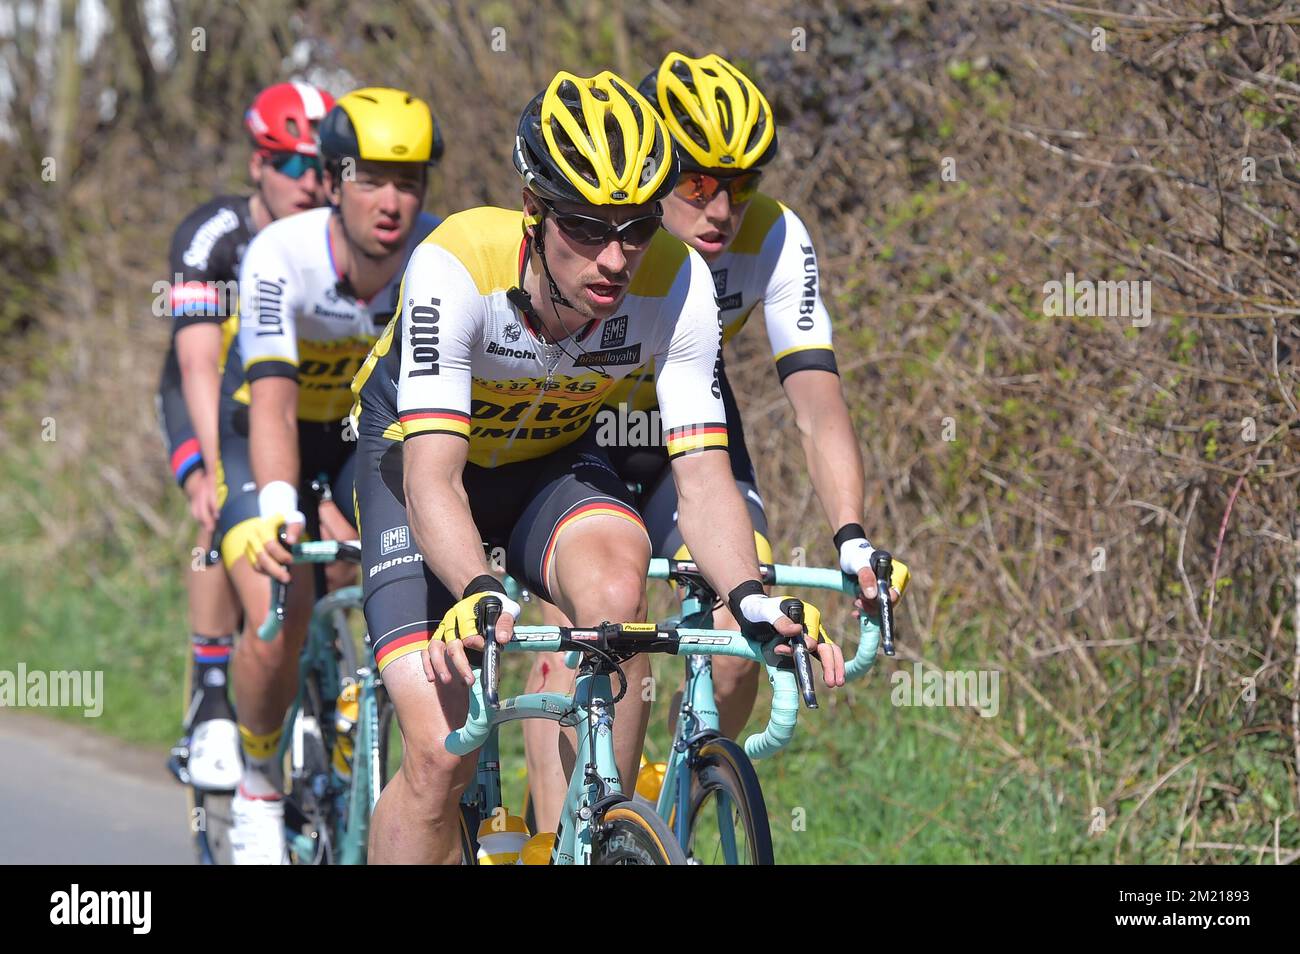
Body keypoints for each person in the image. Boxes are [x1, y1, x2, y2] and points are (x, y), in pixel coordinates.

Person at [350, 69, 843, 864]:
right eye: (586, 227)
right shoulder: (456, 264)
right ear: (534, 211)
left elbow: (703, 475)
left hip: (549, 458)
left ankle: (588, 828)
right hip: (419, 467)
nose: (616, 258)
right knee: (442, 750)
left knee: (621, 590)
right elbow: (434, 479)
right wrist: (480, 589)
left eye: (637, 228)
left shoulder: (676, 279)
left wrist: (748, 598)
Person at [523, 52, 911, 827]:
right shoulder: (601, 247)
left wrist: (852, 537)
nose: (722, 209)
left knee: (744, 623)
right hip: (577, 433)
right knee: (590, 635)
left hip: (687, 433)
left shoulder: (773, 238)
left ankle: (669, 816)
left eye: (742, 183)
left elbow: (817, 404)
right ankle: (557, 834)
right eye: (696, 183)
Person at [218, 87, 444, 863]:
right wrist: (284, 506)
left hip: (360, 433)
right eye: (370, 179)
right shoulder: (280, 253)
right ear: (333, 180)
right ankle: (255, 780)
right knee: (277, 601)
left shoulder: (437, 257)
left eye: (409, 182)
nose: (392, 201)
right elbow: (275, 408)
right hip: (267, 430)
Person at [158, 81, 334, 792]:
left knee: (329, 537)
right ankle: (208, 694)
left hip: (295, 400)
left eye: (322, 166)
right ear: (257, 163)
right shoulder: (215, 236)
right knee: (219, 510)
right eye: (290, 164)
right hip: (210, 395)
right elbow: (196, 361)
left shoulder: (337, 238)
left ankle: (318, 681)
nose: (310, 181)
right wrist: (209, 473)